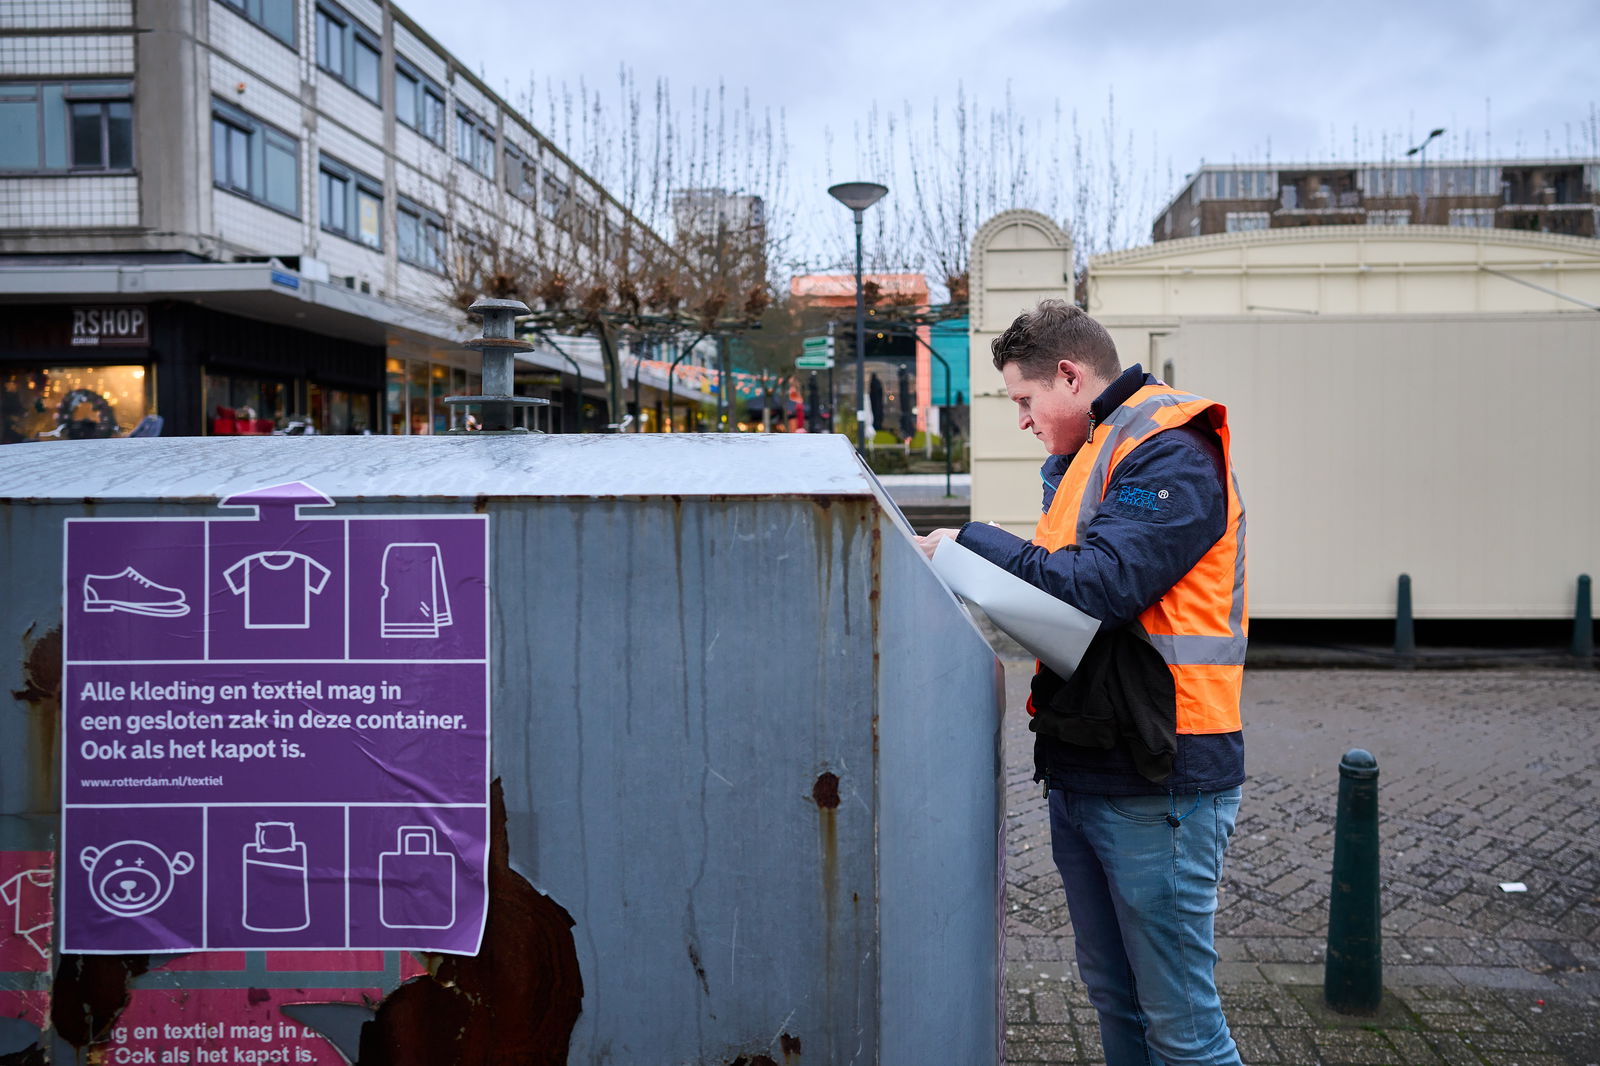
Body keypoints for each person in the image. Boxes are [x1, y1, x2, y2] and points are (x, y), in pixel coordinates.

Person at [917, 299, 1247, 1066]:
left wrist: (968, 545)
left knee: (1183, 1029)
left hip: (1162, 774)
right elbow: (1066, 594)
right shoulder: (1092, 455)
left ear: (1069, 375)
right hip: (1095, 763)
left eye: (1025, 403)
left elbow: (1098, 586)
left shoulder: (1168, 448)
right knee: (1118, 1001)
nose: (1023, 423)